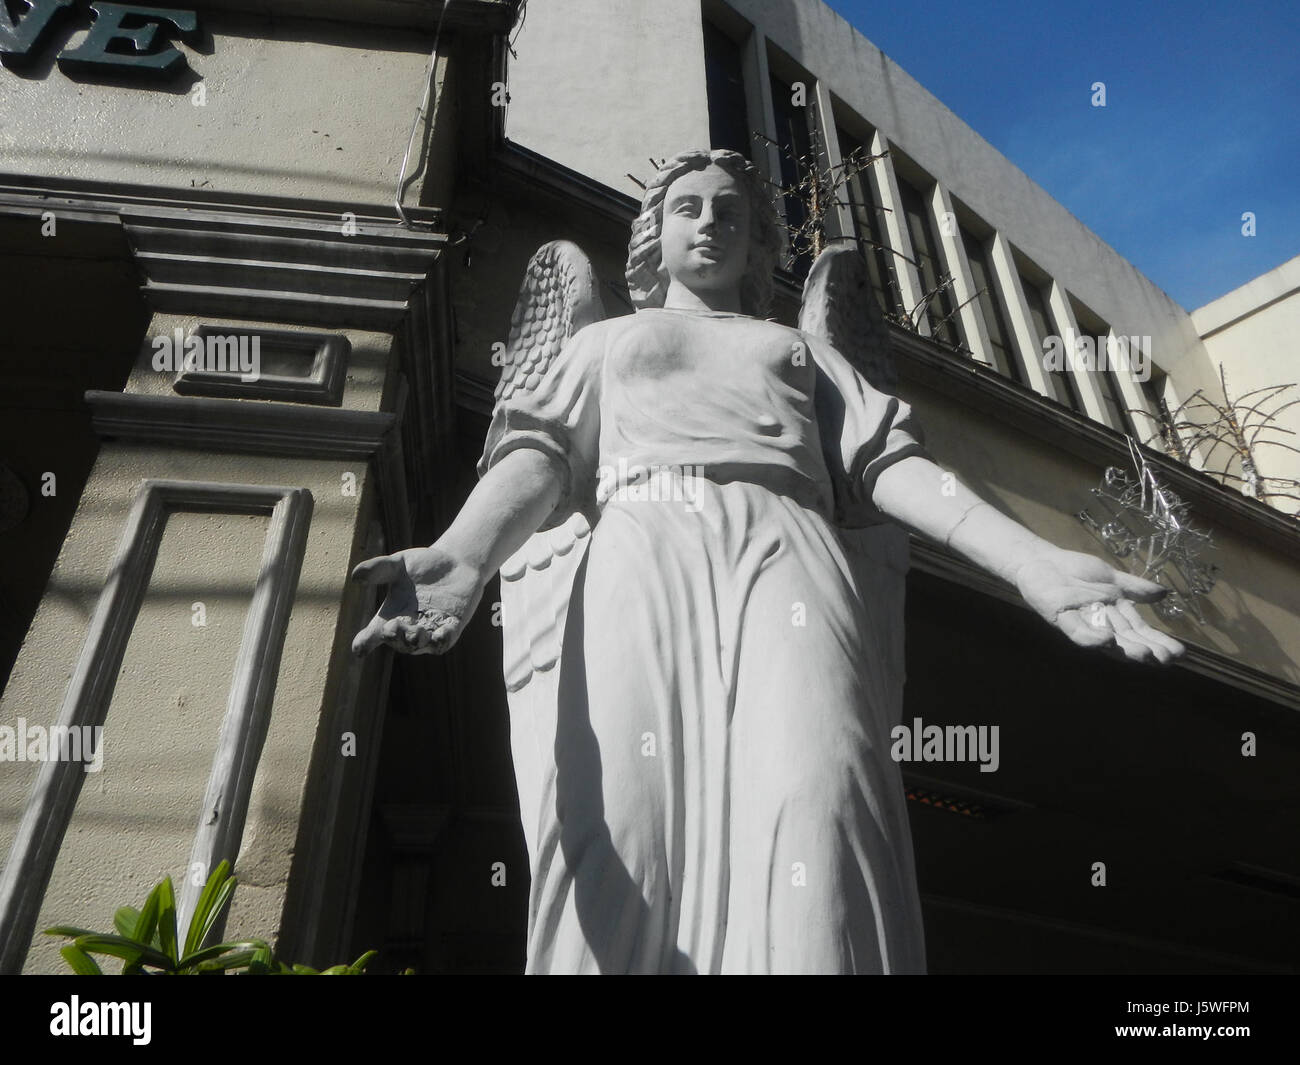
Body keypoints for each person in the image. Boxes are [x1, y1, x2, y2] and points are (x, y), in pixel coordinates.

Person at [350, 149, 1184, 973]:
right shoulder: (607, 341)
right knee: (617, 823)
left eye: (731, 213)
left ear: (758, 247)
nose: (710, 223)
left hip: (791, 553)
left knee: (825, 794)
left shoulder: (801, 351)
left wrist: (1031, 561)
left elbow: (888, 466)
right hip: (640, 549)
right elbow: (539, 456)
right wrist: (464, 558)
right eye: (689, 208)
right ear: (654, 234)